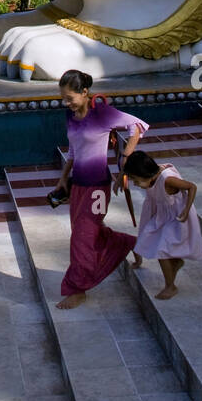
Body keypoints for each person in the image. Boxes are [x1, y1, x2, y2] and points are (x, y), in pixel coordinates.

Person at [54, 69, 149, 309]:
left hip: (97, 186)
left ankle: (78, 288)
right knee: (88, 231)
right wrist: (63, 178)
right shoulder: (71, 116)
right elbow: (74, 150)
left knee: (81, 237)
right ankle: (129, 243)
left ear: (84, 92)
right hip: (78, 185)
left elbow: (137, 125)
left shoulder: (102, 114)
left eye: (69, 98)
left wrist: (126, 156)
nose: (66, 103)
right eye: (63, 99)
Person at [124, 149, 202, 299]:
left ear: (145, 173)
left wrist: (186, 210)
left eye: (135, 179)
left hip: (176, 217)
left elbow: (192, 186)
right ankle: (175, 263)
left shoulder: (168, 180)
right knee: (153, 242)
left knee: (161, 249)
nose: (135, 184)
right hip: (162, 215)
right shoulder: (151, 176)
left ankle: (170, 286)